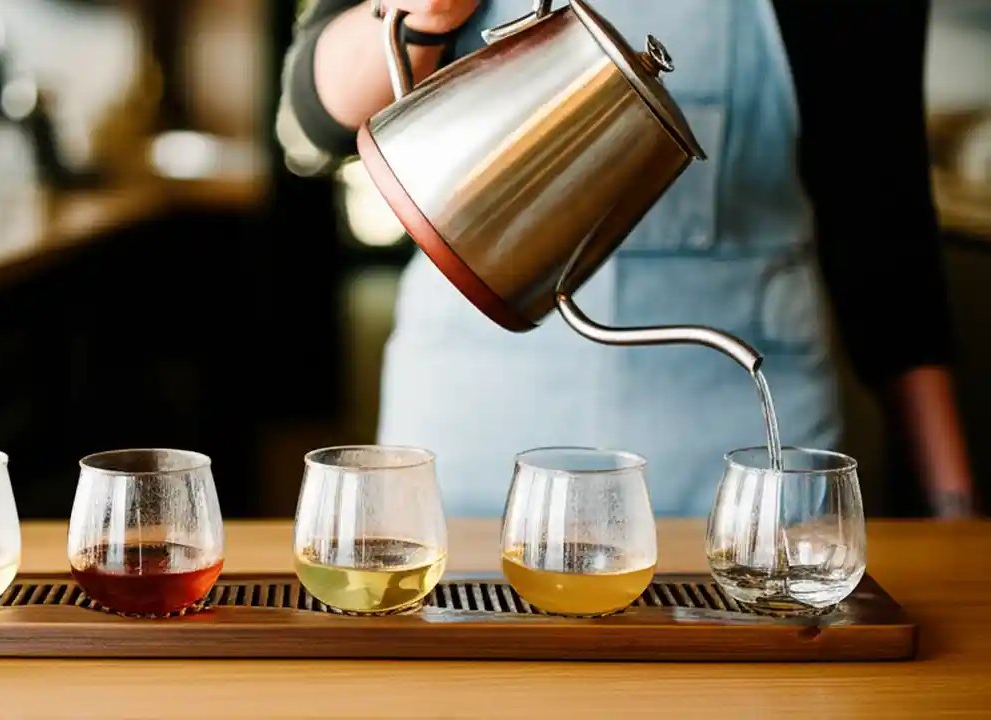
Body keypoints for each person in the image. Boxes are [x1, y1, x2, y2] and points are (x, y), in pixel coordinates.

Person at [276, 0, 980, 518]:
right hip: (479, 433)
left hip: (745, 461)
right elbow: (315, 116)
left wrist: (953, 503)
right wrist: (422, 15)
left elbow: (884, 229)